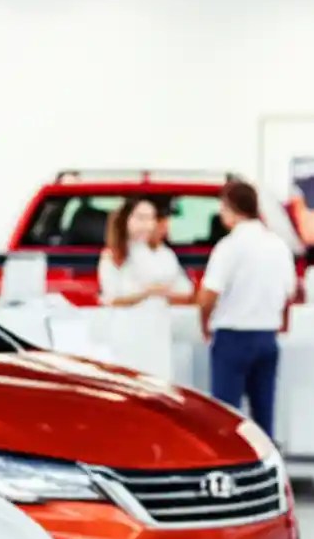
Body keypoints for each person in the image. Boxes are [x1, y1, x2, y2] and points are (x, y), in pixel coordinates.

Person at [198, 181, 297, 438]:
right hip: (267, 337)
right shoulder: (278, 245)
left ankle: (230, 473)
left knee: (226, 417)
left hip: (233, 338)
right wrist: (281, 325)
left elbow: (208, 295)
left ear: (230, 208)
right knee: (264, 416)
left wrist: (204, 324)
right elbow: (290, 293)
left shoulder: (228, 247)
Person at [98, 198, 194, 376]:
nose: (147, 225)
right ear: (126, 219)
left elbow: (184, 289)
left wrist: (161, 291)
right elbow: (112, 298)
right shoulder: (113, 255)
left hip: (157, 335)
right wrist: (149, 292)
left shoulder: (163, 254)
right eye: (140, 218)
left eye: (151, 218)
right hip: (127, 337)